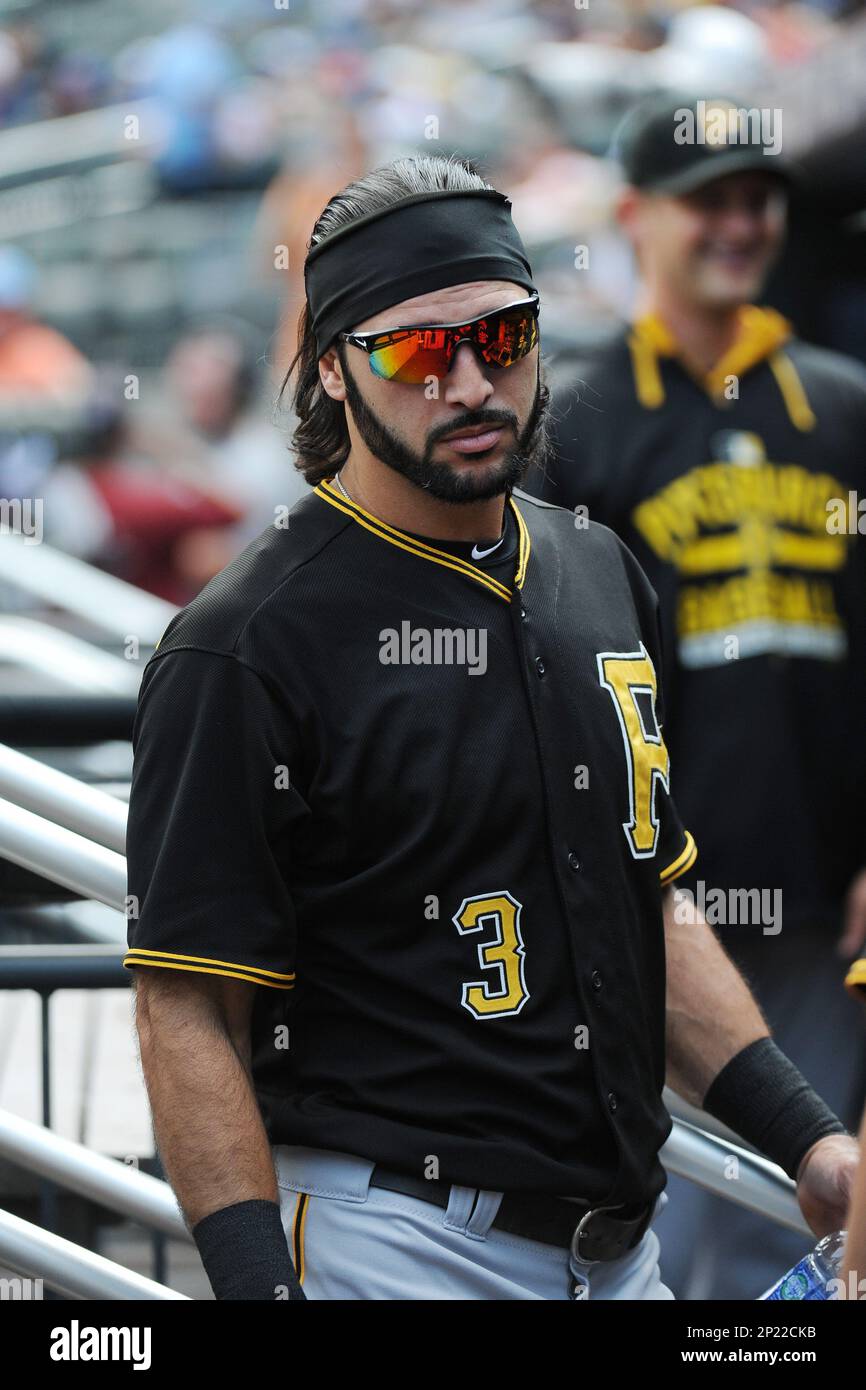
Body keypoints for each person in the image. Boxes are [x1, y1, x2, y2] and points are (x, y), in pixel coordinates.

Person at [123, 154, 858, 1302]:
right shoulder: (247, 640)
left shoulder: (595, 565)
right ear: (329, 368)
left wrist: (805, 1136)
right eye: (418, 349)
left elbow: (643, 902)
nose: (468, 381)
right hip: (395, 1239)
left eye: (503, 336)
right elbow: (184, 1005)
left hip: (618, 1251)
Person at [524, 93, 866, 1298]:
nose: (736, 222)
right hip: (655, 901)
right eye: (704, 199)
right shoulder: (576, 414)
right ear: (633, 216)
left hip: (827, 903)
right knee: (676, 1219)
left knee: (816, 1215)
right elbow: (541, 668)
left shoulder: (840, 405)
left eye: (754, 197)